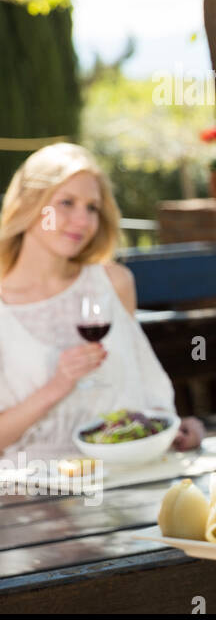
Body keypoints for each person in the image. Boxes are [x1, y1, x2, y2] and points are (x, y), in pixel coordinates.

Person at [0, 144, 192, 461]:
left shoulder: (114, 283)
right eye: (67, 203)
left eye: (92, 208)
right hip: (33, 490)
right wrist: (58, 385)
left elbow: (137, 383)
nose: (82, 220)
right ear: (29, 205)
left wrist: (174, 429)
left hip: (123, 470)